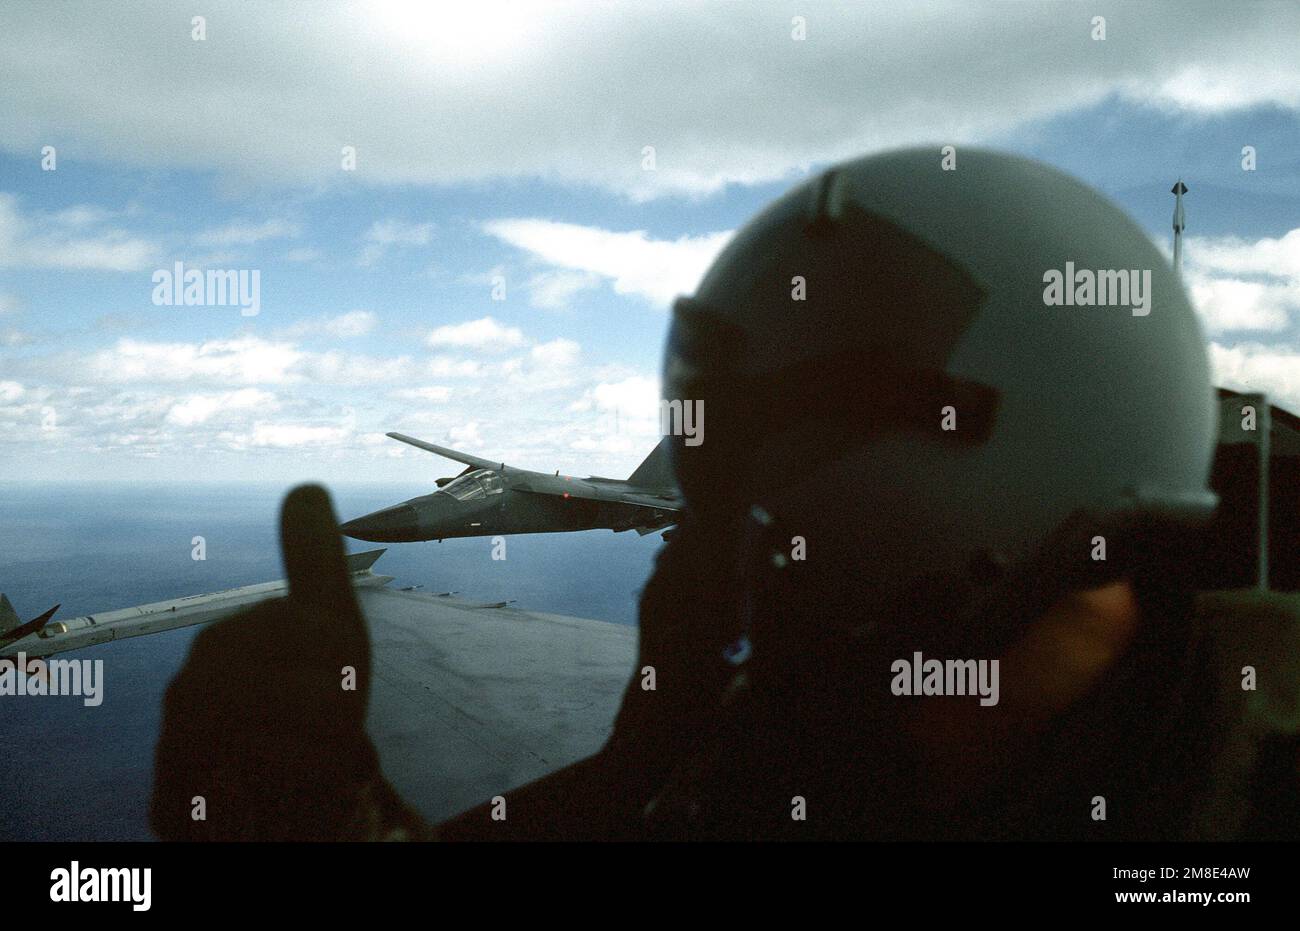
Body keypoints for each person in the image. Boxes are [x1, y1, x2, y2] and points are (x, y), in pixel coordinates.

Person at [151, 148, 1295, 841]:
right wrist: (645, 758)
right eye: (722, 521)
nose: (722, 579)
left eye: (768, 529)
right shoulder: (802, 761)